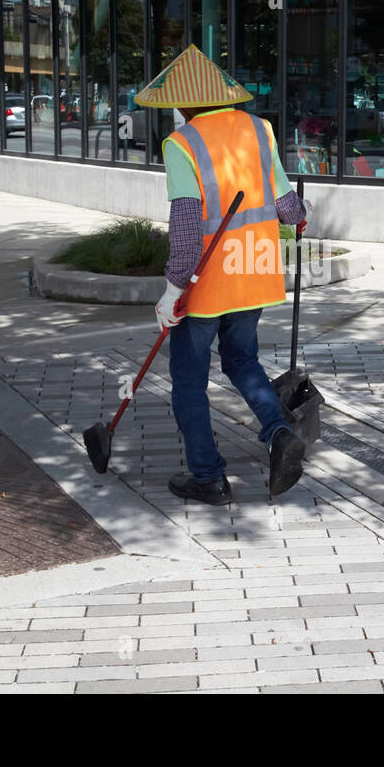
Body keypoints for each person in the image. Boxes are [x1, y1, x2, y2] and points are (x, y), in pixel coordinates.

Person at [135, 45, 312, 506]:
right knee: (242, 360)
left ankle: (209, 477)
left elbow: (189, 230)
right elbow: (287, 207)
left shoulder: (182, 143)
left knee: (190, 379)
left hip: (208, 283)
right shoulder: (260, 130)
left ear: (186, 102)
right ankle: (277, 433)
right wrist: (303, 211)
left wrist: (172, 289)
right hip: (252, 272)